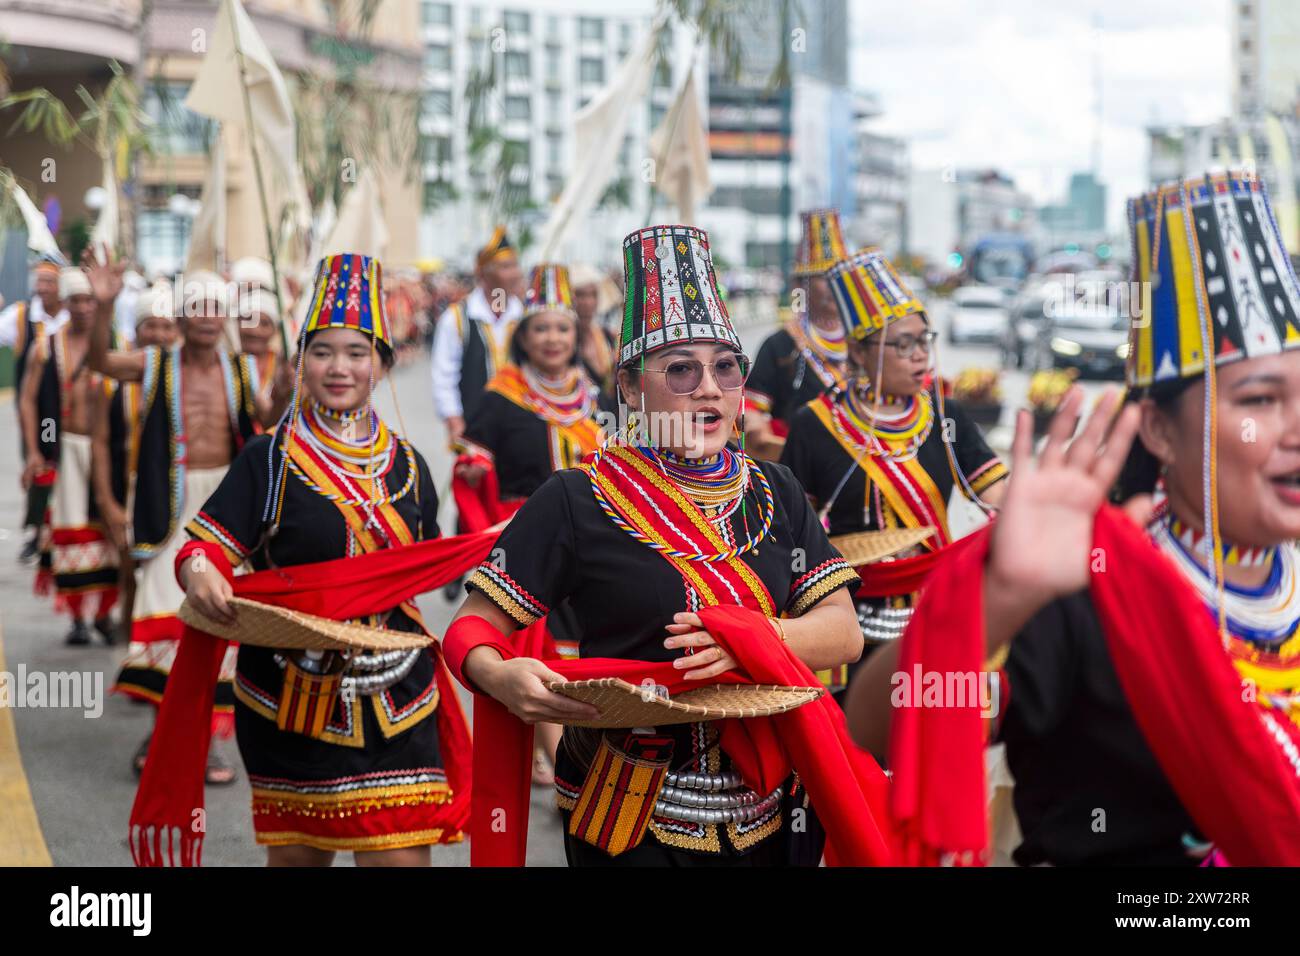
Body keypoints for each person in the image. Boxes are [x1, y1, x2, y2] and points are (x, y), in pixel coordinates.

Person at [847, 169, 1300, 867]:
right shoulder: (1092, 591)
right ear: (1160, 430)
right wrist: (998, 600)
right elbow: (883, 725)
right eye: (1261, 401)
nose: (1294, 427)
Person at [444, 225, 887, 867]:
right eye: (680, 368)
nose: (708, 387)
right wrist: (500, 676)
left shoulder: (776, 489)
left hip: (771, 807)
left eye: (725, 368)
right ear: (629, 389)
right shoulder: (577, 498)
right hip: (629, 814)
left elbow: (842, 632)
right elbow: (471, 630)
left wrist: (754, 638)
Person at [175, 252, 469, 865]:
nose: (340, 367)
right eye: (324, 351)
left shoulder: (411, 466)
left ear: (383, 364)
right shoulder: (270, 460)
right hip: (290, 699)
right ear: (300, 363)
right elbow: (205, 547)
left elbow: (421, 565)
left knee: (400, 859)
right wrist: (201, 573)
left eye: (357, 353)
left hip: (399, 697)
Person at [87, 262, 288, 782]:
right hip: (165, 508)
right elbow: (99, 360)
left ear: (224, 315)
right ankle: (163, 733)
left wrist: (288, 388)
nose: (204, 317)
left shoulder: (242, 370)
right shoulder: (154, 363)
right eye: (195, 306)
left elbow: (268, 417)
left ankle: (205, 743)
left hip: (225, 508)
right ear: (180, 313)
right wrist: (105, 304)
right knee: (166, 615)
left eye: (213, 307)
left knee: (220, 616)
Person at [781, 247, 1007, 694]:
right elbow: (791, 531)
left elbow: (995, 493)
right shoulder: (816, 424)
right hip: (853, 613)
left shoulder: (948, 415)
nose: (920, 355)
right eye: (903, 344)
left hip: (936, 607)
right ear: (860, 353)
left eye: (925, 340)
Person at [454, 262, 608, 783]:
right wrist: (476, 475)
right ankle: (567, 761)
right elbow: (471, 466)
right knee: (532, 647)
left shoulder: (599, 398)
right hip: (522, 542)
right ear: (523, 335)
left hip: (593, 539)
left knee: (579, 647)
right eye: (541, 327)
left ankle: (578, 751)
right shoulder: (501, 396)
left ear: (576, 334)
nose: (552, 338)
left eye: (562, 327)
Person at [19, 267, 119, 644]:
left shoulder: (116, 343)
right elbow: (30, 402)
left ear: (98, 303)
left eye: (89, 300)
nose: (82, 308)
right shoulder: (47, 346)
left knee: (109, 534)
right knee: (71, 531)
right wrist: (37, 450)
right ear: (65, 303)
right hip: (64, 445)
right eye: (75, 300)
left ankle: (106, 613)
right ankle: (78, 616)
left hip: (107, 450)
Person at [91, 282, 179, 643]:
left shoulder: (186, 376)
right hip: (127, 491)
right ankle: (133, 652)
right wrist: (107, 504)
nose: (158, 334)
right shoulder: (113, 381)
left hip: (173, 491)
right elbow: (97, 442)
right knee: (130, 574)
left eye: (166, 326)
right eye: (149, 326)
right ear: (137, 329)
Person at [744, 209, 853, 460]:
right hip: (799, 466)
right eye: (825, 277)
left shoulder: (868, 341)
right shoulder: (780, 345)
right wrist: (755, 424)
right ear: (801, 284)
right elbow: (753, 405)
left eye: (841, 276)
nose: (835, 285)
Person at [430, 226, 524, 447]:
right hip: (474, 430)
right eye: (505, 267)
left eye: (514, 266)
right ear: (483, 273)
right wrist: (455, 423)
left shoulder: (525, 317)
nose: (514, 274)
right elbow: (444, 376)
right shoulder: (457, 318)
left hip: (520, 429)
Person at [1, 257, 67, 563]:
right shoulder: (21, 316)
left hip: (73, 410)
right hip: (45, 415)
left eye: (49, 282)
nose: (42, 287)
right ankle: (37, 528)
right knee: (43, 463)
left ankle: (61, 529)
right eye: (38, 281)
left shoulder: (73, 316)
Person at [569, 263, 616, 398]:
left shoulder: (609, 337)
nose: (588, 302)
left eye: (593, 295)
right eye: (580, 295)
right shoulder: (562, 344)